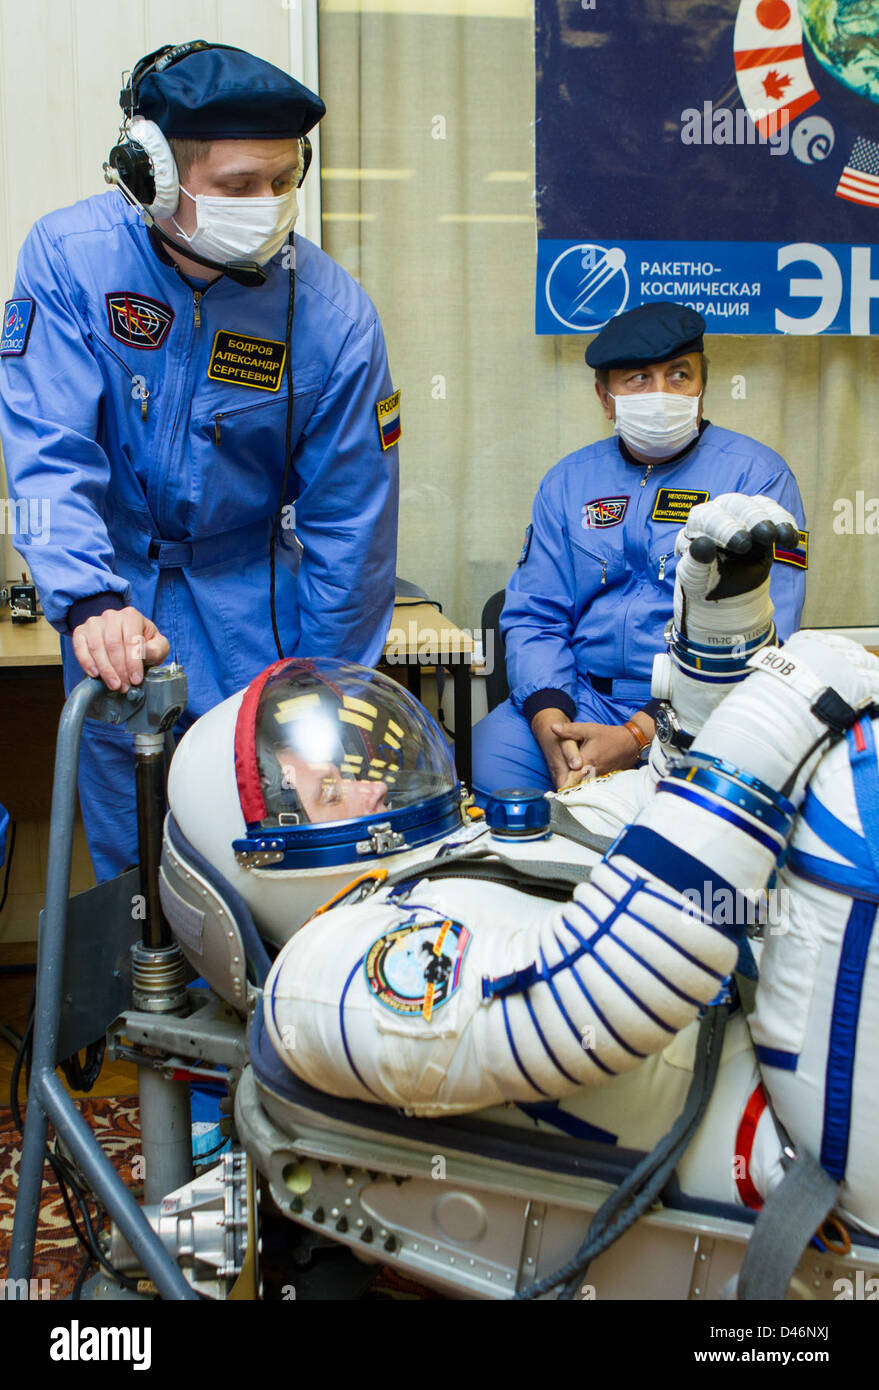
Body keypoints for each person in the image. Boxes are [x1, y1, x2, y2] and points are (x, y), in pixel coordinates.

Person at [163, 493, 879, 1240]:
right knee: (848, 782)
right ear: (255, 862)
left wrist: (719, 633)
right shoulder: (319, 982)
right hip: (810, 1157)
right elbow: (596, 991)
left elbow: (666, 796)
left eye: (350, 764)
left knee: (815, 781)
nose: (372, 781)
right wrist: (769, 720)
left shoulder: (471, 853)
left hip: (786, 1045)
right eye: (332, 791)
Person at [0, 41, 400, 881]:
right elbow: (49, 451)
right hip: (117, 600)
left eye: (284, 180)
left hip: (258, 611)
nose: (269, 205)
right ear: (153, 176)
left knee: (264, 859)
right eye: (238, 186)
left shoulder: (331, 319)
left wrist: (328, 695)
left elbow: (349, 530)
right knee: (135, 869)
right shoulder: (70, 261)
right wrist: (88, 599)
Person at [471, 301, 807, 799]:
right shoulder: (569, 481)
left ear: (701, 386)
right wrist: (551, 723)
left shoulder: (756, 477)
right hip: (579, 699)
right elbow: (535, 615)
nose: (662, 394)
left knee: (693, 820)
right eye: (638, 381)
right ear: (606, 398)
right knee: (486, 766)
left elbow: (766, 636)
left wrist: (637, 736)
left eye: (678, 376)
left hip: (704, 709)